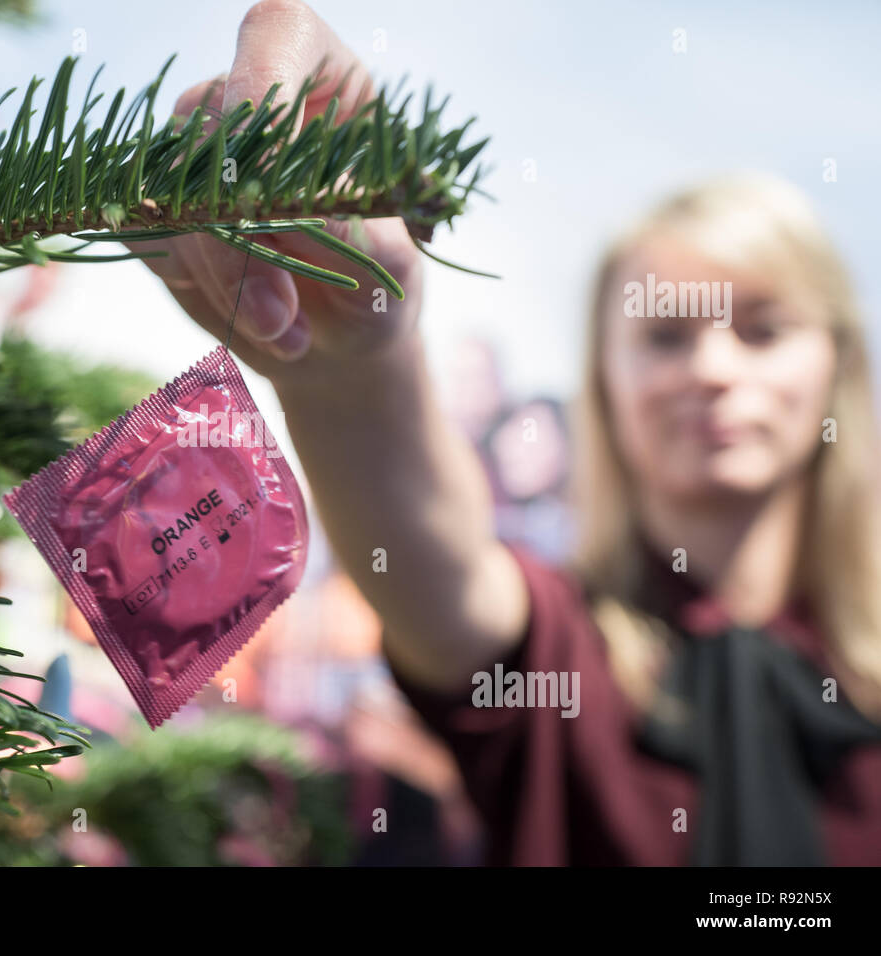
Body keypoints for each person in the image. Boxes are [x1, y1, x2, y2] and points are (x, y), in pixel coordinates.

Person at [137, 0, 881, 865]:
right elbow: (437, 567)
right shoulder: (559, 654)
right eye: (665, 336)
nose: (713, 370)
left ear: (838, 364)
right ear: (604, 384)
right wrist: (347, 357)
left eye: (762, 328)